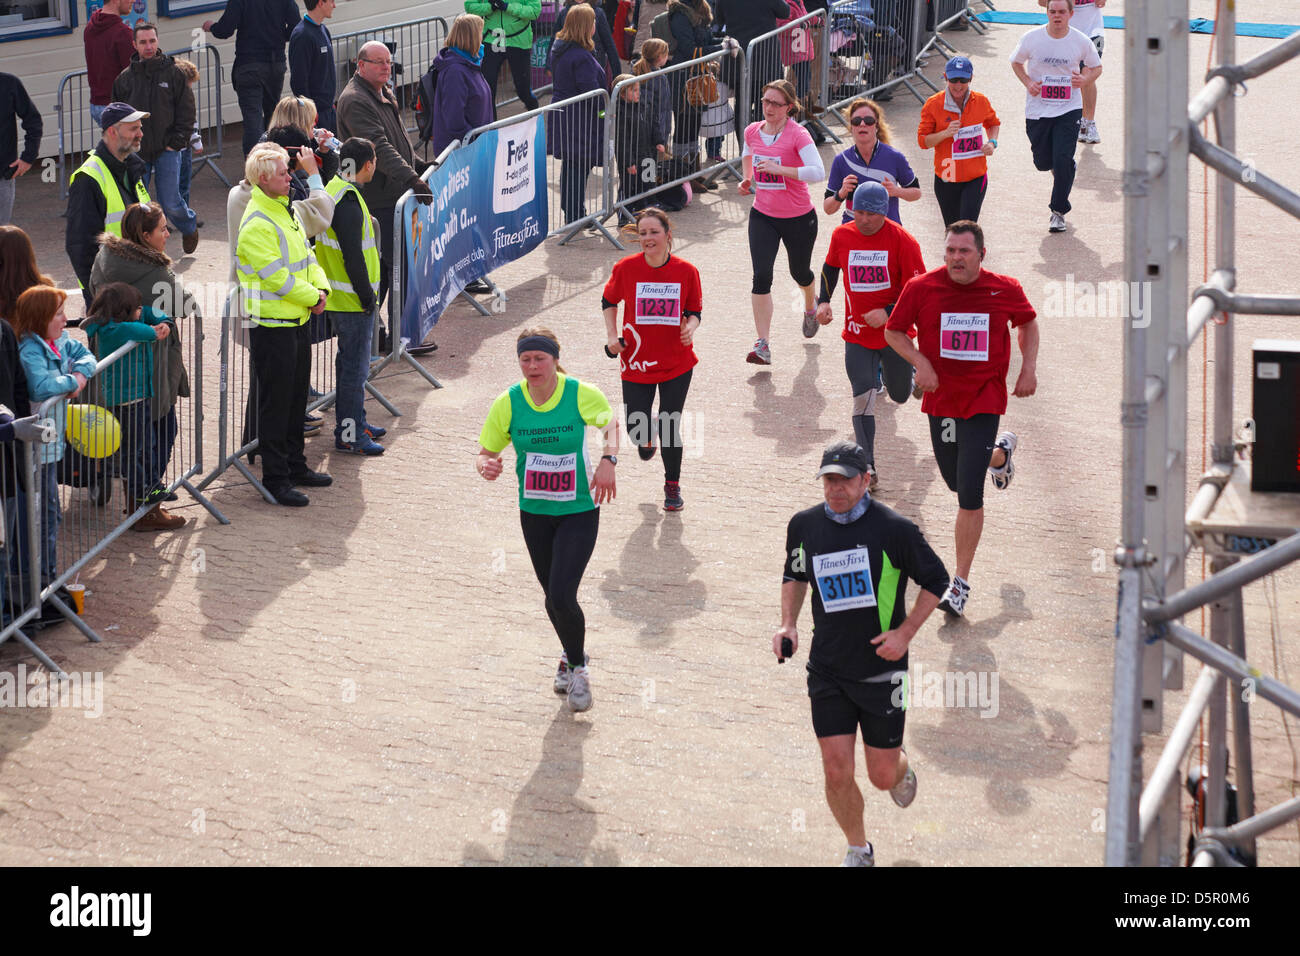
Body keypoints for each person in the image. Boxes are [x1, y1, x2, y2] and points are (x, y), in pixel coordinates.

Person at [775, 439, 948, 867]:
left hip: (882, 670)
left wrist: (905, 633)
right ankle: (858, 849)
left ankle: (900, 767)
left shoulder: (895, 530)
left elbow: (937, 580)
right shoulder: (804, 525)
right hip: (828, 668)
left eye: (845, 480)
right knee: (836, 770)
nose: (835, 489)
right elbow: (795, 574)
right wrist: (788, 624)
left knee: (881, 775)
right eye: (828, 480)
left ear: (866, 480)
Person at [883, 221, 1038, 617]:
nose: (955, 258)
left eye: (964, 251)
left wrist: (1028, 369)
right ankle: (999, 455)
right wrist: (920, 362)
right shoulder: (921, 287)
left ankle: (959, 584)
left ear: (981, 255)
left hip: (984, 398)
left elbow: (1027, 323)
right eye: (950, 251)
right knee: (955, 480)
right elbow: (893, 331)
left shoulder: (1004, 288)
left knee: (969, 493)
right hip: (943, 402)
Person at [476, 327, 618, 712]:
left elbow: (610, 426)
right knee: (552, 599)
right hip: (535, 513)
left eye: (540, 358)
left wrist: (609, 460)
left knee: (561, 594)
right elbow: (486, 451)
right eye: (525, 359)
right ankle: (570, 654)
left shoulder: (580, 393)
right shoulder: (508, 402)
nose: (532, 366)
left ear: (555, 359)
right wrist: (485, 465)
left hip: (578, 510)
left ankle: (578, 669)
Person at [235, 143, 332, 507]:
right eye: (283, 173)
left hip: (296, 321)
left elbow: (308, 257)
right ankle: (276, 480)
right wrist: (313, 296)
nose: (290, 177)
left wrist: (320, 288)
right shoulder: (258, 222)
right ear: (263, 179)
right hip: (273, 327)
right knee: (276, 407)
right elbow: (277, 278)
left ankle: (296, 465)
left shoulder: (284, 210)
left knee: (294, 401)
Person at [814, 182, 925, 489]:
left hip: (895, 336)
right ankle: (868, 467)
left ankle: (911, 376)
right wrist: (824, 301)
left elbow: (919, 292)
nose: (863, 219)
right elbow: (830, 267)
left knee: (899, 395)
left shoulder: (904, 241)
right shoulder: (842, 234)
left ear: (884, 212)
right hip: (857, 334)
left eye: (871, 214)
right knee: (863, 398)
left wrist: (888, 312)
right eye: (858, 212)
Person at [89, 201, 195, 520]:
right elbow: (185, 305)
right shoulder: (155, 271)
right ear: (145, 236)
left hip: (112, 365)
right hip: (150, 366)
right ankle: (146, 506)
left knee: (133, 435)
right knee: (160, 431)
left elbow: (93, 291)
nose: (168, 234)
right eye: (162, 229)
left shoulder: (104, 257)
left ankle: (141, 494)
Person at [337, 41, 434, 351]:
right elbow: (377, 146)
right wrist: (412, 177)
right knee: (394, 267)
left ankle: (382, 333)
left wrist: (417, 165)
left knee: (389, 269)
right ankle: (397, 337)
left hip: (393, 192)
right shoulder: (355, 100)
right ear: (360, 65)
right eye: (378, 62)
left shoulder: (382, 91)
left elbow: (397, 139)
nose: (385, 67)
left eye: (388, 62)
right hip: (379, 198)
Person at [602, 208, 701, 510]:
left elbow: (694, 311)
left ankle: (672, 486)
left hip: (676, 362)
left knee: (671, 426)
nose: (648, 238)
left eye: (654, 232)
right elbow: (608, 300)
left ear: (668, 236)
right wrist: (611, 336)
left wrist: (690, 327)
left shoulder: (687, 271)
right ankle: (648, 432)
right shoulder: (626, 268)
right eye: (642, 233)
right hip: (637, 362)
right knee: (637, 432)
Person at [82, 282, 185, 532]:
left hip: (138, 396)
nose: (142, 311)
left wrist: (164, 320)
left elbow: (151, 312)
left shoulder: (119, 322)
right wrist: (159, 327)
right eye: (137, 307)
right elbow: (148, 331)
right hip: (127, 401)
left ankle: (150, 486)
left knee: (146, 444)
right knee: (135, 449)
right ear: (124, 311)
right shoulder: (117, 330)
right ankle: (142, 490)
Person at [13, 287, 98, 586]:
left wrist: (81, 375)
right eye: (58, 314)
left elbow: (86, 355)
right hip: (36, 448)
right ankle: (40, 582)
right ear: (40, 318)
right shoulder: (30, 350)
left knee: (50, 514)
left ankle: (45, 578)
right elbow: (39, 387)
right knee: (45, 515)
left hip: (52, 444)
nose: (65, 320)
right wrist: (71, 381)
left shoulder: (59, 340)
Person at [739, 79, 824, 365]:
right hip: (762, 215)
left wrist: (781, 170)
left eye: (776, 103)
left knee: (799, 272)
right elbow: (748, 153)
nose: (769, 107)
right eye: (766, 101)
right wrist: (747, 178)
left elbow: (818, 172)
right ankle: (762, 343)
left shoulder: (798, 134)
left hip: (798, 218)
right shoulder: (753, 130)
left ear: (789, 107)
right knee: (761, 276)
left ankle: (810, 307)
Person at [1009, 0, 1101, 233]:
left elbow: (1096, 67)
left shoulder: (1081, 40)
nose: (1057, 16)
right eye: (1052, 12)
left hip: (1068, 108)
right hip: (1038, 109)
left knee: (1062, 159)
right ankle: (1064, 168)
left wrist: (1085, 79)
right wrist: (1028, 82)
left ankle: (1058, 212)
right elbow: (1016, 62)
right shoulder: (1032, 38)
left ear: (1071, 14)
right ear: (1047, 12)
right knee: (1043, 162)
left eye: (1061, 12)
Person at [319, 137, 385, 457]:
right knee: (354, 373)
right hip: (351, 302)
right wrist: (367, 297)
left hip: (343, 298)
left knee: (350, 368)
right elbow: (353, 257)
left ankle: (356, 423)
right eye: (375, 162)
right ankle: (350, 435)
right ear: (368, 165)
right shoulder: (347, 199)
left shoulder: (336, 187)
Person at [111, 22, 200, 254]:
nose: (148, 46)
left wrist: (176, 143)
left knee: (170, 202)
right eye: (143, 42)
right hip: (136, 151)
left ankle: (189, 226)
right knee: (138, 207)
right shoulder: (124, 79)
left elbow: (187, 111)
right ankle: (145, 248)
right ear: (134, 45)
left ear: (158, 41)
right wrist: (124, 146)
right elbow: (116, 116)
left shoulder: (174, 73)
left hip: (167, 149)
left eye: (152, 41)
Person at [65, 102, 151, 303]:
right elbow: (80, 246)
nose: (140, 134)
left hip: (136, 281)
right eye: (133, 129)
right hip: (110, 292)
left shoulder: (132, 168)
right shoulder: (88, 179)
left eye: (140, 128)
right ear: (112, 131)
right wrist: (99, 295)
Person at [203, 0, 301, 156]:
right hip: (275, 64)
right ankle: (274, 161)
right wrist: (278, 35)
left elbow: (225, 30)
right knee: (272, 116)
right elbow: (296, 26)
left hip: (248, 65)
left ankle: (256, 165)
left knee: (253, 120)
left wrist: (211, 26)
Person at [916, 57, 999, 227]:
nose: (958, 85)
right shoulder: (933, 104)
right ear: (946, 77)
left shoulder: (981, 101)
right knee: (952, 229)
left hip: (975, 175)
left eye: (963, 80)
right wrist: (945, 134)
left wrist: (992, 142)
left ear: (971, 78)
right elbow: (923, 142)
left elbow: (993, 124)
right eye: (953, 80)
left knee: (967, 227)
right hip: (947, 176)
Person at [550, 5, 607, 227]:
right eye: (593, 21)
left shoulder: (562, 49)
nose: (595, 25)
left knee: (572, 164)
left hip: (568, 115)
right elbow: (591, 92)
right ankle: (576, 215)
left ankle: (573, 211)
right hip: (579, 118)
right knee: (579, 166)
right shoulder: (580, 56)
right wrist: (604, 112)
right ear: (585, 26)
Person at [824, 97, 920, 227]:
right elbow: (828, 208)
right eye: (856, 121)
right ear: (851, 127)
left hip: (887, 230)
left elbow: (916, 192)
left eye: (868, 120)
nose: (862, 124)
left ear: (877, 126)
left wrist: (896, 191)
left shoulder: (894, 157)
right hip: (853, 231)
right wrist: (841, 193)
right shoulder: (841, 160)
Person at [665, 0, 724, 190]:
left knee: (694, 125)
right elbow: (689, 50)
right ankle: (682, 176)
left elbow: (705, 41)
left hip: (697, 76)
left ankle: (694, 172)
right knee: (684, 127)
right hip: (683, 77)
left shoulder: (698, 9)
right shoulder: (680, 14)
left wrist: (724, 41)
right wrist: (721, 48)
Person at [1039, 0, 1106, 144]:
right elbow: (1042, 2)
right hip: (1066, 31)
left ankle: (1088, 123)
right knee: (1064, 77)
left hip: (1093, 30)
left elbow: (1101, 2)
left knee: (1088, 75)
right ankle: (1060, 118)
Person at [429, 14, 495, 157]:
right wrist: (473, 141)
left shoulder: (470, 64)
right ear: (472, 37)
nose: (482, 39)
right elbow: (454, 118)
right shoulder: (455, 71)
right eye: (480, 33)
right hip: (461, 152)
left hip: (473, 146)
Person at [465, 0, 541, 116]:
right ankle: (491, 124)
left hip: (518, 40)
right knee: (487, 89)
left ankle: (535, 113)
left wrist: (507, 6)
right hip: (492, 40)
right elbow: (470, 6)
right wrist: (490, 7)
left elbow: (534, 11)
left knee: (523, 89)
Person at [84, 0, 135, 130]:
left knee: (111, 142)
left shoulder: (90, 27)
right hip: (118, 108)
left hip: (96, 104)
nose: (134, 1)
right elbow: (134, 77)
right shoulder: (123, 33)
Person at [612, 75, 658, 221]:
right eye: (634, 90)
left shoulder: (644, 106)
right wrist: (628, 162)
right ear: (622, 94)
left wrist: (659, 141)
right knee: (629, 186)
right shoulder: (620, 112)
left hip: (647, 153)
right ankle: (623, 215)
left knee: (647, 183)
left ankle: (644, 212)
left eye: (639, 89)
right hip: (631, 157)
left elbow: (653, 124)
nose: (639, 93)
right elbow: (622, 141)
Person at [289, 0, 338, 133]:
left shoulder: (324, 30)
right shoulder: (302, 35)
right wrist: (311, 114)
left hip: (329, 111)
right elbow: (298, 82)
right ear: (320, 3)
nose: (334, 5)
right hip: (315, 116)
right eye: (331, 1)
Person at [0, 73, 41, 227]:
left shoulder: (9, 84)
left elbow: (33, 120)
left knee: (2, 232)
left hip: (3, 176)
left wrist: (28, 157)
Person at [551, 0, 623, 82]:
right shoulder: (564, 13)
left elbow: (609, 43)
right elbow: (555, 38)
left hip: (596, 63)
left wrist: (617, 73)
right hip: (572, 68)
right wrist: (549, 65)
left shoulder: (598, 13)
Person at [172, 58, 203, 223]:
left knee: (177, 185)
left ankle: (182, 216)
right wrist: (197, 142)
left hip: (176, 146)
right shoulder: (183, 97)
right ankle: (184, 217)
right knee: (182, 185)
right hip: (181, 147)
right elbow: (190, 121)